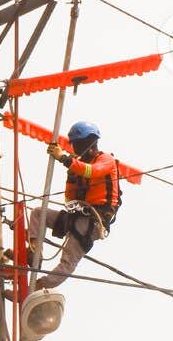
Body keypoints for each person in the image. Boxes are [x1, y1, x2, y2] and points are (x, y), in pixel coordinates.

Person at [29, 119, 122, 289]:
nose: (80, 148)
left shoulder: (106, 160)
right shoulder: (76, 166)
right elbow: (69, 199)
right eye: (77, 145)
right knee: (38, 213)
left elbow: (93, 171)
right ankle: (36, 250)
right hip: (77, 216)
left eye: (83, 144)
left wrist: (65, 159)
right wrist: (71, 169)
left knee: (68, 260)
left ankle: (40, 285)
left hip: (93, 221)